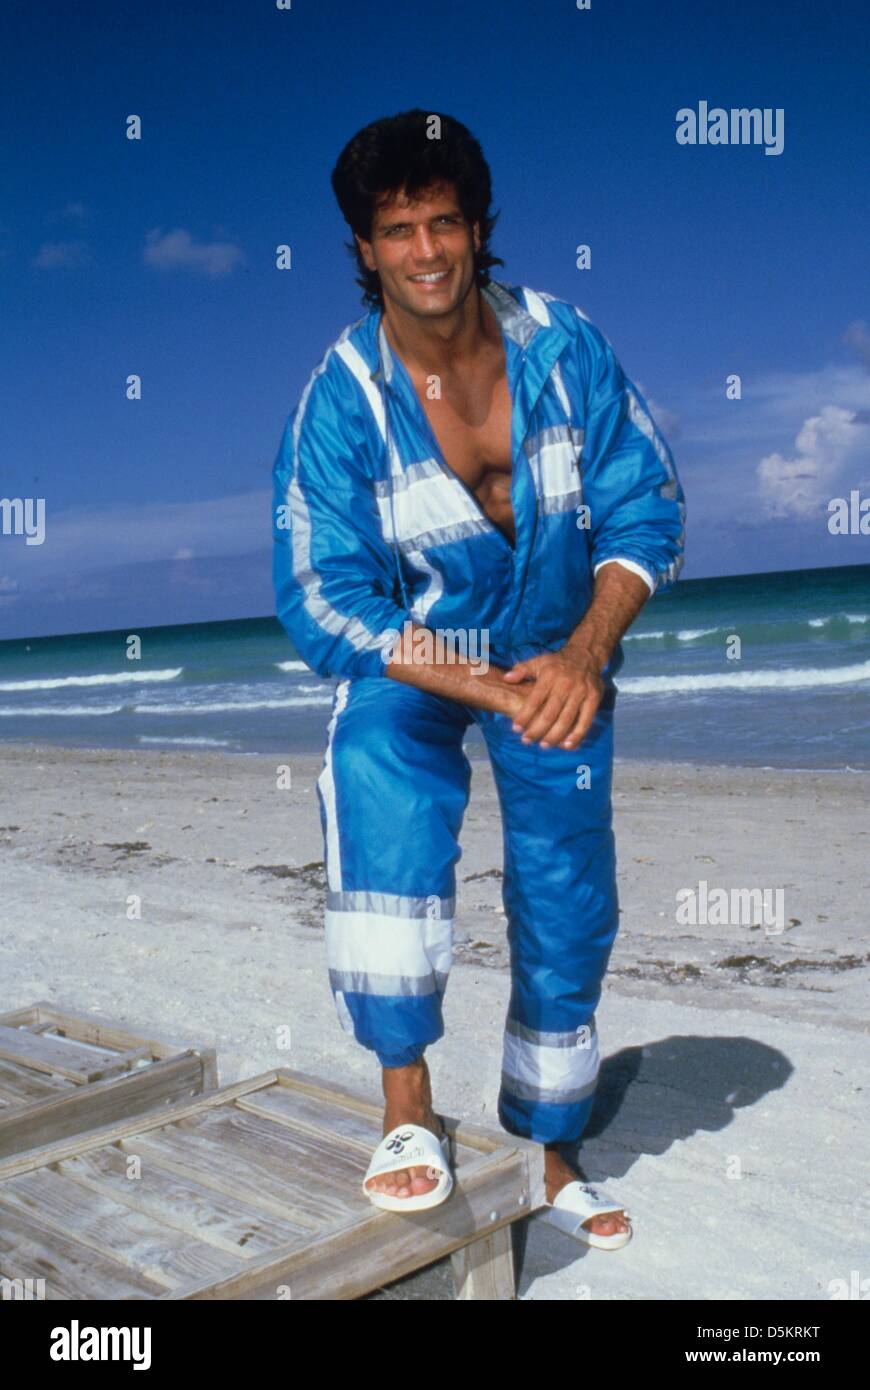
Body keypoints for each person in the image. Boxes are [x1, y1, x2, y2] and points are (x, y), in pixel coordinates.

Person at [272, 109, 685, 1246]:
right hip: (426, 646)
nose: (426, 251)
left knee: (566, 889)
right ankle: (407, 1107)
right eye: (397, 229)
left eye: (442, 220)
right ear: (365, 247)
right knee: (375, 776)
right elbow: (321, 592)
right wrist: (488, 686)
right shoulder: (343, 398)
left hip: (561, 638)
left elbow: (647, 502)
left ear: (478, 226)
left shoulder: (565, 343)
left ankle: (549, 1148)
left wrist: (583, 654)